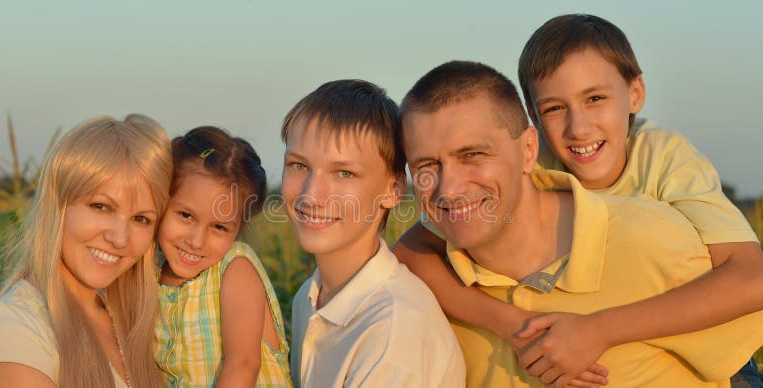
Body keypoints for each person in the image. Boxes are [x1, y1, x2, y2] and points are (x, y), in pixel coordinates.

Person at [394, 14, 763, 386]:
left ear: (635, 94)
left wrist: (599, 330)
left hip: (727, 357)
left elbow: (753, 277)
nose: (578, 127)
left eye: (595, 98)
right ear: (533, 121)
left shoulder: (663, 158)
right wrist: (512, 325)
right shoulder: (530, 162)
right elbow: (411, 249)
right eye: (554, 109)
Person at [0, 115, 172, 387]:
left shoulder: (142, 328)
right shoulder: (12, 330)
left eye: (141, 219)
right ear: (57, 206)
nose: (119, 238)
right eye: (100, 206)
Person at [284, 80, 465, 388]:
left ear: (393, 189)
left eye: (344, 173)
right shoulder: (309, 298)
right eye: (299, 165)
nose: (311, 194)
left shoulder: (392, 331)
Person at [154, 126, 292, 387]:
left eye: (219, 227)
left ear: (238, 228)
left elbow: (242, 365)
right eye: (185, 215)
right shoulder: (149, 277)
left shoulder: (235, 269)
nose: (196, 241)